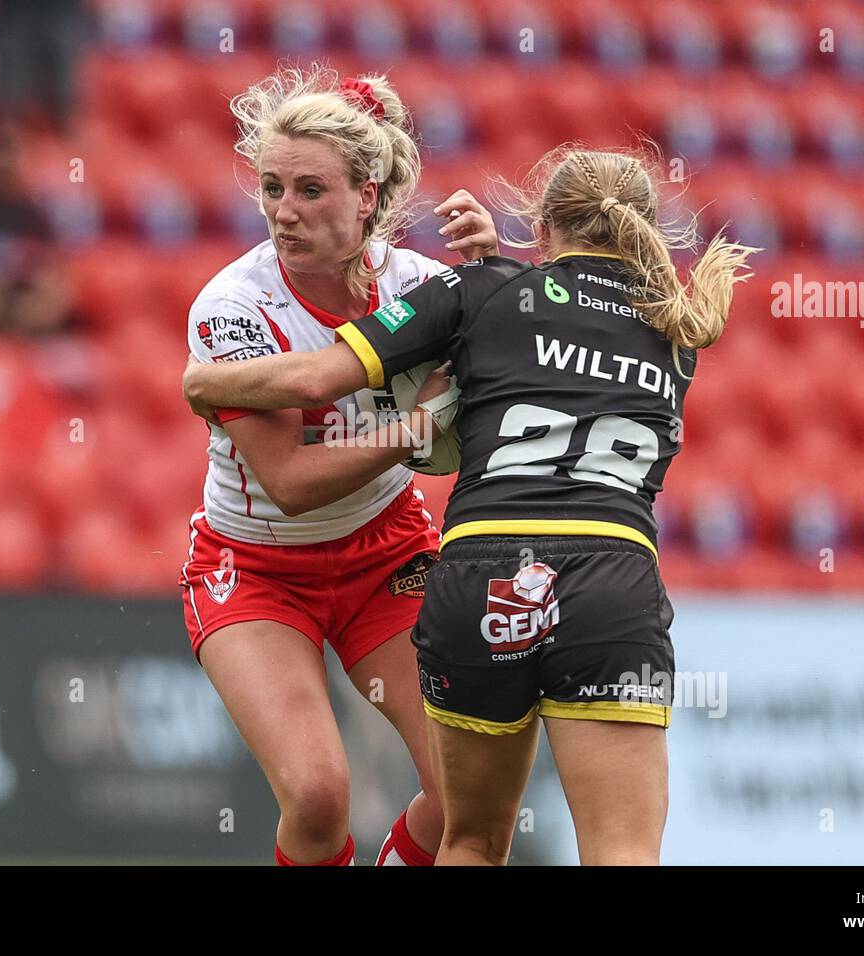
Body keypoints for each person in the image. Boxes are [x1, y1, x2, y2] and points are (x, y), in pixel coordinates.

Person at [183, 145, 759, 865]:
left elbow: (315, 380)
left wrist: (206, 385)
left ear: (541, 228)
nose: (283, 209)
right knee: (623, 852)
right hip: (611, 582)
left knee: (472, 837)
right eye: (274, 189)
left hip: (475, 567)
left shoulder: (474, 293)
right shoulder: (680, 330)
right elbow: (550, 329)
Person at [178, 64, 498, 866]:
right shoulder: (234, 306)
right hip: (255, 567)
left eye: (310, 191)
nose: (284, 213)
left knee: (468, 794)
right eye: (272, 187)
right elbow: (287, 484)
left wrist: (496, 277)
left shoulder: (426, 284)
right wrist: (419, 427)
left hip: (386, 551)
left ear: (369, 193)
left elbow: (523, 360)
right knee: (320, 800)